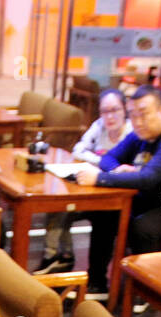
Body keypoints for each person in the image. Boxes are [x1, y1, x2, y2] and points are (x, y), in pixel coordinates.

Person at [72, 86, 161, 296]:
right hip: (152, 198)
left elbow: (146, 178)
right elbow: (109, 157)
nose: (137, 122)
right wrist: (117, 170)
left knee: (142, 227)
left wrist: (99, 178)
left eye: (143, 114)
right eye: (133, 115)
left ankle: (144, 292)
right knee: (103, 213)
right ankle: (97, 284)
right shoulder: (142, 134)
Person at [35, 88, 132, 274]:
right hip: (92, 186)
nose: (110, 116)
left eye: (115, 110)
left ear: (125, 110)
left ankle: (64, 259)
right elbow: (79, 150)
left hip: (116, 195)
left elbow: (125, 169)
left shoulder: (131, 134)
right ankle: (59, 256)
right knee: (58, 206)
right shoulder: (99, 127)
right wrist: (100, 160)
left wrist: (103, 164)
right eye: (105, 111)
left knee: (80, 214)